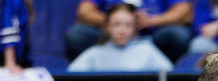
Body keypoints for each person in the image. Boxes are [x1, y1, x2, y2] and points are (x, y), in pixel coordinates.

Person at [65, 0, 193, 62]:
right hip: (109, 38)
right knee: (77, 34)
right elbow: (83, 11)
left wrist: (152, 21)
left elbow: (185, 12)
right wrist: (114, 21)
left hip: (151, 36)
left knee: (178, 35)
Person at [1, 0, 31, 73]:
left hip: (21, 57)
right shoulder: (11, 2)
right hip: (7, 58)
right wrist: (10, 62)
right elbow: (8, 27)